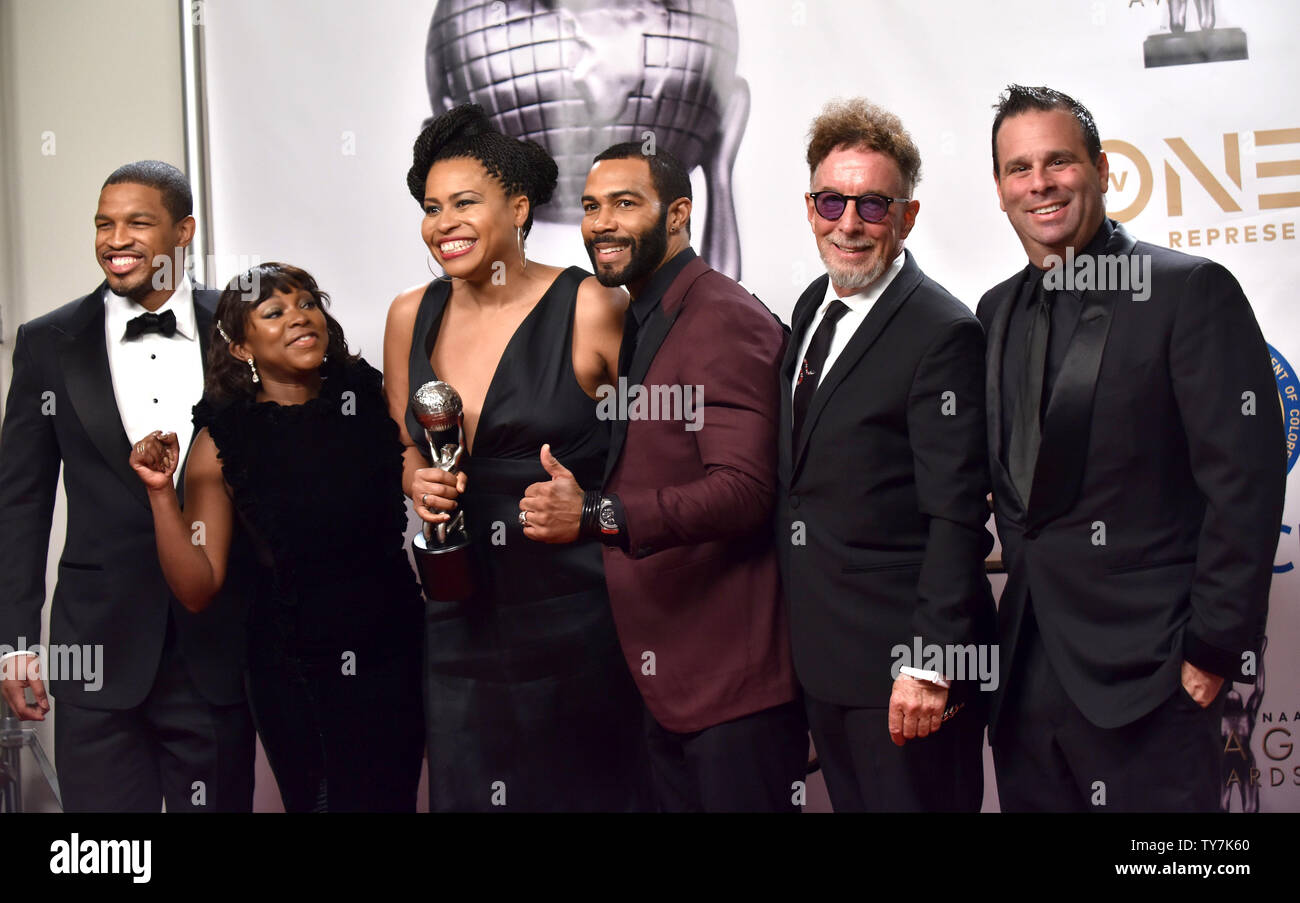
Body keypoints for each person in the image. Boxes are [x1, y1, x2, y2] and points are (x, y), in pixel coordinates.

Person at [980, 84, 1283, 811]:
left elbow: (1244, 481)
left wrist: (1210, 653)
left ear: (1102, 169)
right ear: (998, 188)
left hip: (1152, 678)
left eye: (1059, 162)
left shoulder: (1188, 291)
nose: (1040, 183)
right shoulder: (994, 311)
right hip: (1024, 680)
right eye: (1019, 168)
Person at [521, 143, 806, 812]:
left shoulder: (721, 317)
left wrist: (596, 513)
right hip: (668, 680)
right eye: (592, 207)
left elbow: (744, 490)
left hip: (733, 686)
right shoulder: (647, 313)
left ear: (678, 215)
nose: (602, 223)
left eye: (625, 203)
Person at [383, 104, 651, 811]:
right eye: (431, 207)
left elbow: (662, 451)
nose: (443, 222)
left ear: (520, 206)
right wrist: (419, 482)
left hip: (578, 619)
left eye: (464, 202)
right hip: (457, 617)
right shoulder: (411, 314)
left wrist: (592, 507)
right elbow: (406, 444)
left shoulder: (593, 303)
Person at [0, 161, 254, 812]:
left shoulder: (240, 330)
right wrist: (16, 644)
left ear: (184, 230)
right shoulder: (47, 342)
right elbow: (20, 505)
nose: (117, 238)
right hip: (95, 651)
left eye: (138, 222)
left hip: (216, 644)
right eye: (103, 223)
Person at [130, 263, 424, 812]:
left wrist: (425, 481)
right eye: (274, 312)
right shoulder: (223, 441)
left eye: (307, 303)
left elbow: (407, 459)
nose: (299, 318)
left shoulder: (364, 394)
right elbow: (198, 587)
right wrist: (160, 494)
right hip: (296, 664)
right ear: (242, 348)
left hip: (395, 642)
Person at [776, 99, 996, 812]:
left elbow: (957, 515)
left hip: (907, 673)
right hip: (824, 661)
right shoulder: (812, 305)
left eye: (872, 205)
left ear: (907, 216)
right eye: (831, 200)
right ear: (810, 205)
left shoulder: (943, 330)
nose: (847, 223)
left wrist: (931, 663)